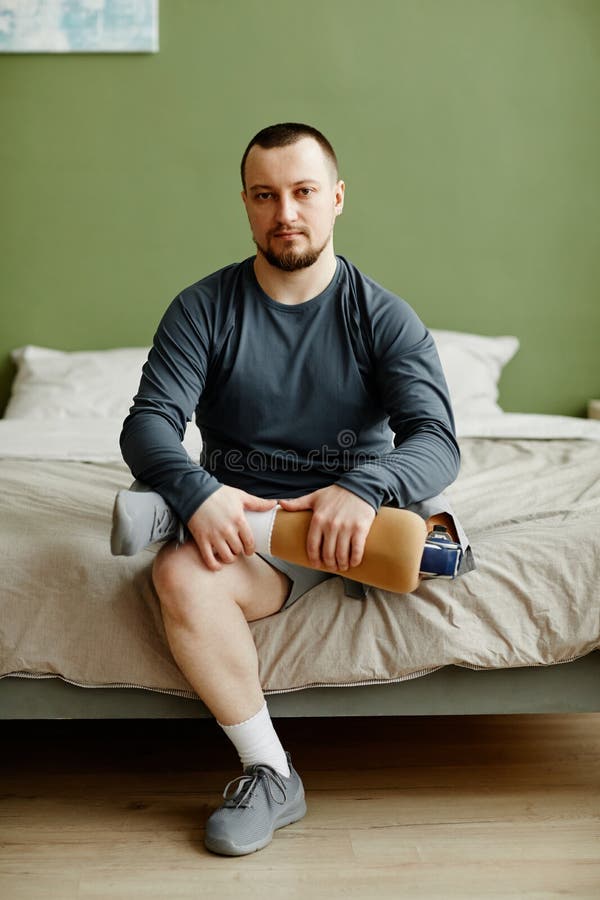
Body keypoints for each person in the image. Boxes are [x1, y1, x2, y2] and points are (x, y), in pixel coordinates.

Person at [114, 123, 474, 857]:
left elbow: (437, 441)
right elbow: (148, 425)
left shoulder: (383, 316)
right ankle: (272, 775)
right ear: (246, 204)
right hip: (246, 524)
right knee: (178, 573)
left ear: (336, 198)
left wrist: (365, 486)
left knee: (405, 532)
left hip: (352, 520)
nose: (286, 213)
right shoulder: (203, 309)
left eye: (304, 192)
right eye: (265, 195)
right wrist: (196, 492)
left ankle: (415, 544)